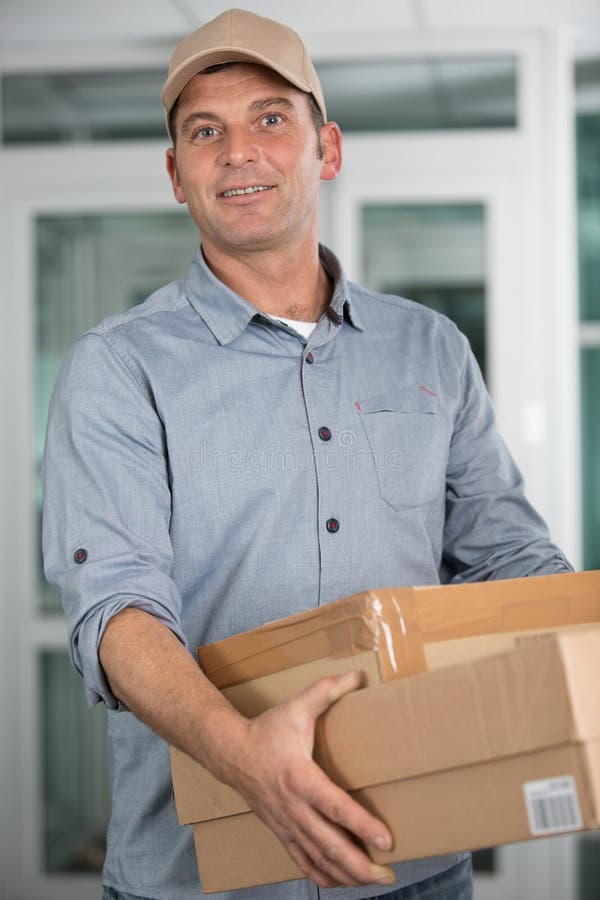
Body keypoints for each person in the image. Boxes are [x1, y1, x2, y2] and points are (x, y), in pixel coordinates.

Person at [42, 8, 572, 900]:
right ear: (176, 176)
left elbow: (506, 556)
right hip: (200, 875)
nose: (237, 152)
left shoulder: (430, 347)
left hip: (413, 859)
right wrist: (245, 756)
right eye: (204, 132)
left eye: (270, 118)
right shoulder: (118, 367)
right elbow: (115, 609)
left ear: (327, 149)